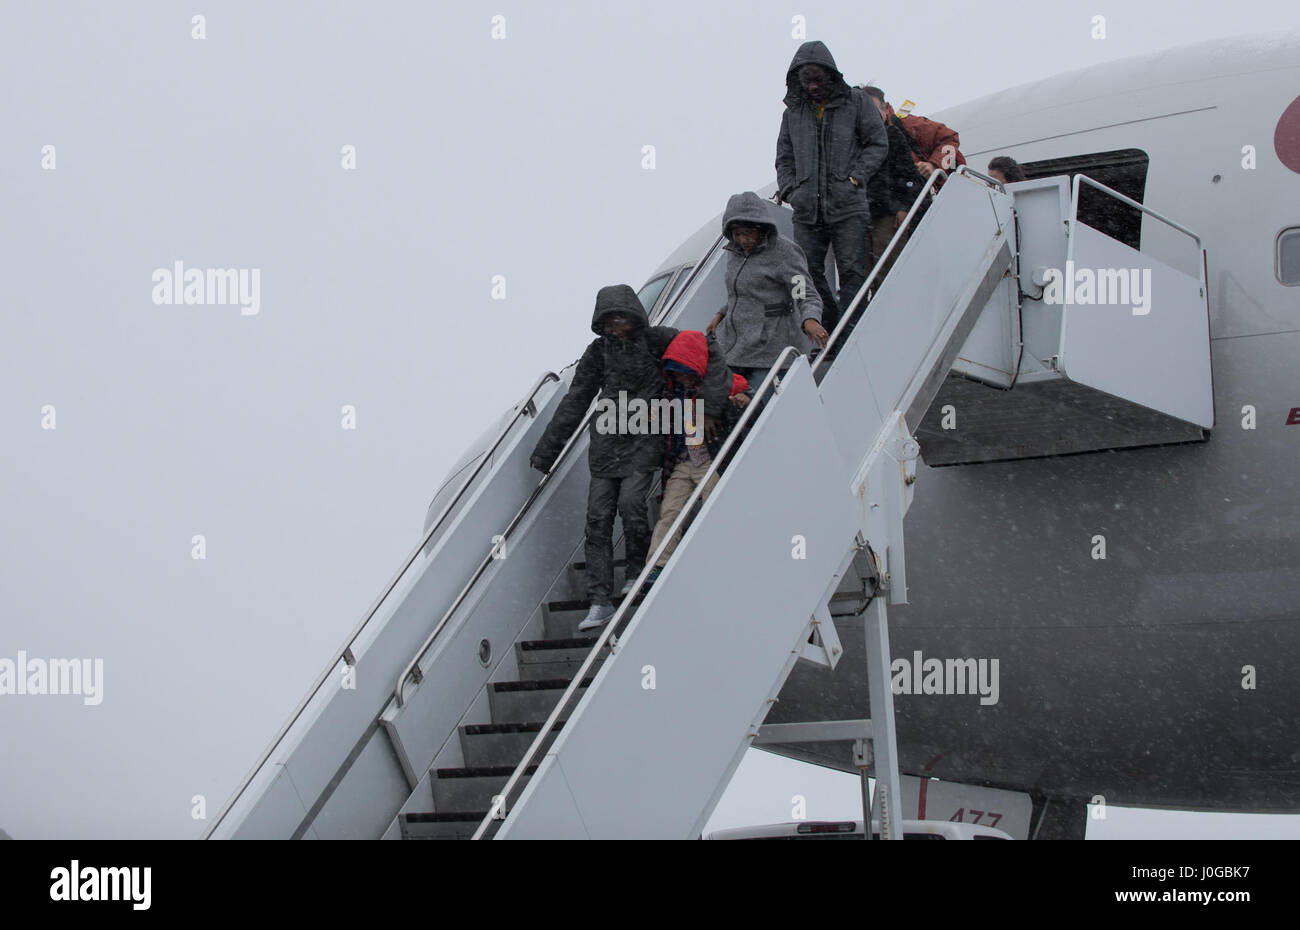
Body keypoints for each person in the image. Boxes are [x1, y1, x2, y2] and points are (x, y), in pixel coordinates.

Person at [529, 285, 733, 632]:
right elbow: (576, 399)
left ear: (635, 315)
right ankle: (599, 601)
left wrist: (710, 408)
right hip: (607, 441)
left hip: (646, 435)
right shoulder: (597, 353)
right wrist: (547, 451)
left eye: (621, 317)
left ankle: (637, 570)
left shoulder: (657, 340)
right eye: (609, 320)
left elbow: (706, 348)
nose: (616, 325)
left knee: (632, 504)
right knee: (597, 519)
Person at [775, 41, 888, 334]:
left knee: (851, 272)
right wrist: (790, 190)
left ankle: (850, 335)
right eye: (806, 80)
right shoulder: (792, 114)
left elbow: (878, 143)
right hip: (807, 210)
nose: (812, 86)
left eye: (818, 80)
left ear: (831, 76)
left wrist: (854, 179)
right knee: (807, 274)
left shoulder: (857, 102)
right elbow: (783, 158)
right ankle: (833, 330)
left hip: (848, 206)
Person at [640, 331, 751, 589]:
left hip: (709, 458)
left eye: (686, 372)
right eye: (677, 373)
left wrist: (744, 400)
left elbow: (745, 392)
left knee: (715, 504)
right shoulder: (674, 393)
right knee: (670, 511)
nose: (682, 378)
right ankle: (658, 565)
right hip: (683, 460)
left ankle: (727, 555)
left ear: (699, 367)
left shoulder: (723, 385)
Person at [706, 191, 827, 390]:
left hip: (769, 350)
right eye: (737, 234)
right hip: (733, 348)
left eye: (748, 233)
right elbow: (743, 292)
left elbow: (804, 294)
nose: (743, 239)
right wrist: (721, 313)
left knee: (761, 410)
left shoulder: (784, 252)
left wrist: (810, 319)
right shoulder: (734, 253)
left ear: (761, 228)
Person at [861, 85, 928, 284]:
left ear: (884, 110)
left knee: (888, 272)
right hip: (860, 214)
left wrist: (902, 207)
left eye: (874, 110)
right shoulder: (854, 141)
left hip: (888, 214)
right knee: (863, 275)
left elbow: (908, 174)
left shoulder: (894, 136)